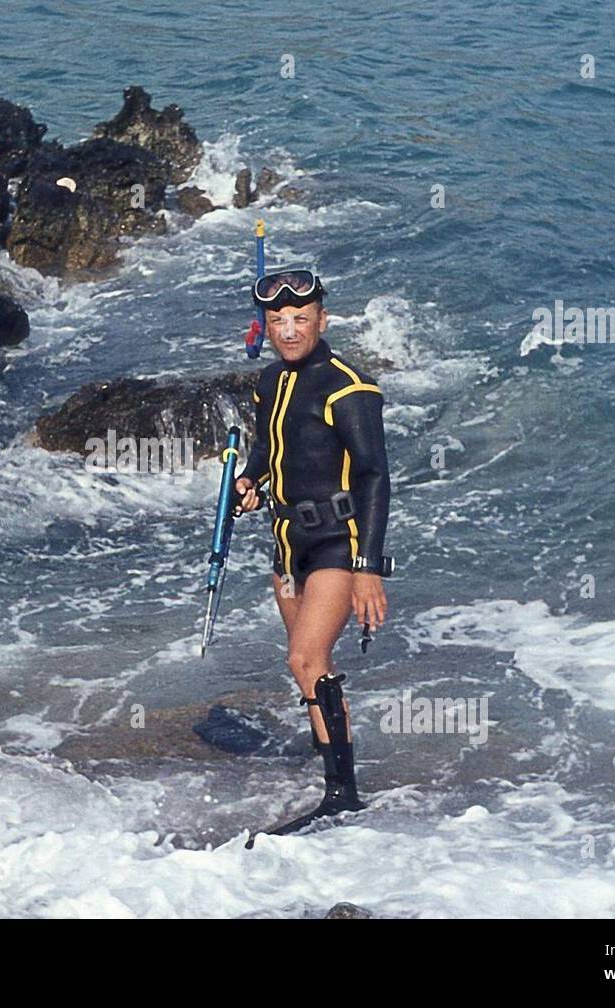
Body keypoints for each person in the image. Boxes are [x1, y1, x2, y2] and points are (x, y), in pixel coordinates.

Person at [235, 268, 392, 835]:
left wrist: (368, 569)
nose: (289, 329)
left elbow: (374, 476)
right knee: (313, 670)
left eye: (301, 318)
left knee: (303, 658)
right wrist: (250, 481)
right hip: (288, 544)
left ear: (322, 319)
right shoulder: (269, 383)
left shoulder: (349, 386)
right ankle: (336, 775)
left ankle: (342, 796)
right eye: (277, 320)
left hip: (338, 541)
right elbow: (265, 447)